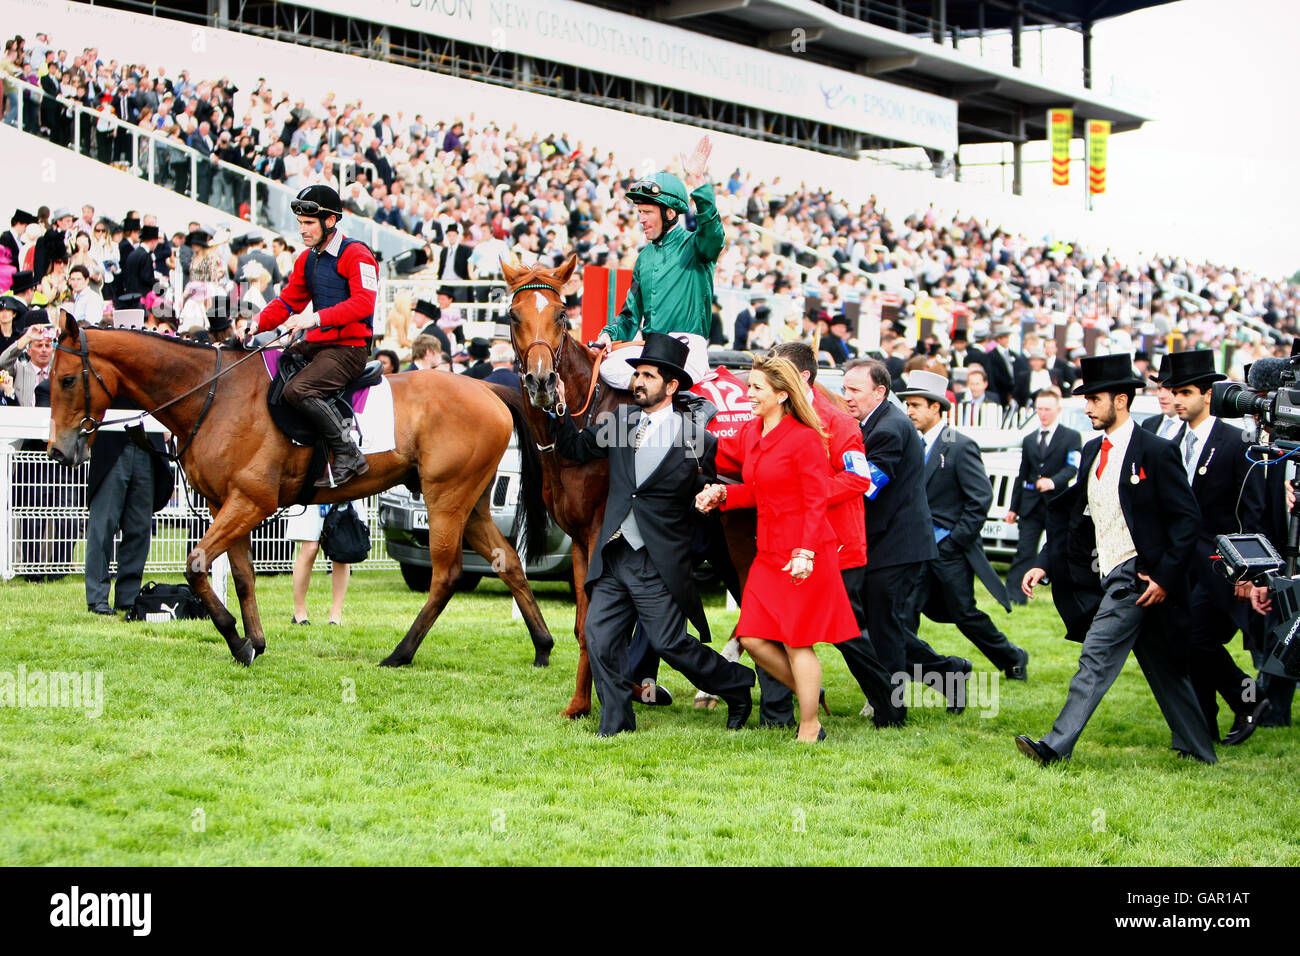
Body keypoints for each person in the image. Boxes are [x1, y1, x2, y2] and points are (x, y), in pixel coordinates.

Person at [552, 332, 756, 737]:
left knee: (670, 644)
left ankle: (736, 684)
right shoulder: (620, 422)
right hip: (613, 555)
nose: (638, 382)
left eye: (648, 375)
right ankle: (616, 722)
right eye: (637, 374)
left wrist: (713, 495)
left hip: (657, 561)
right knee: (599, 636)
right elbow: (573, 449)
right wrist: (557, 407)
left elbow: (726, 482)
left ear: (672, 385)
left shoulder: (697, 438)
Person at [1018, 353, 1217, 765]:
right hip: (1110, 574)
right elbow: (1078, 519)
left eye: (1094, 398)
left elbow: (1187, 519)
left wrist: (1163, 577)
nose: (1087, 407)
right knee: (1165, 670)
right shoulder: (1093, 450)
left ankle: (1055, 747)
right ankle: (1200, 753)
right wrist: (1045, 562)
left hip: (1136, 577)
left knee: (1095, 657)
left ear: (1121, 401)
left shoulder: (1157, 452)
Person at [721, 343, 904, 728]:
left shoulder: (836, 423)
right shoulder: (763, 422)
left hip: (832, 544)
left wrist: (804, 493)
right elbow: (735, 455)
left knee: (845, 636)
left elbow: (858, 478)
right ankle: (778, 715)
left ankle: (889, 704)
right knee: (772, 630)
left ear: (797, 380)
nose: (756, 388)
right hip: (780, 544)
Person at [698, 354, 860, 742]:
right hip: (768, 552)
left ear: (782, 394)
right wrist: (723, 493)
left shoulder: (805, 438)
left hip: (802, 551)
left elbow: (815, 499)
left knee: (795, 640)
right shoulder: (754, 432)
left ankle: (809, 725)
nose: (747, 394)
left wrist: (805, 552)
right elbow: (758, 490)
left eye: (755, 388)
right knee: (753, 637)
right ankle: (809, 692)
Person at [841, 359, 972, 692]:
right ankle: (949, 674)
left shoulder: (888, 428)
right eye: (845, 389)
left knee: (884, 628)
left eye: (855, 390)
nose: (848, 397)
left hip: (898, 546)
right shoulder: (873, 422)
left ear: (880, 392)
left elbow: (867, 486)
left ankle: (891, 705)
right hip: (887, 542)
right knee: (884, 626)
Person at [1164, 349, 1269, 745]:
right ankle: (1200, 728)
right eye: (1173, 392)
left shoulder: (1236, 440)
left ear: (1208, 394)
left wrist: (1248, 572)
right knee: (1187, 646)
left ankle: (1249, 697)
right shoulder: (1172, 443)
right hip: (1183, 566)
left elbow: (1252, 511)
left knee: (1199, 640)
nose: (1177, 400)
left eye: (1185, 392)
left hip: (1222, 565)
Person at [898, 369, 1029, 682]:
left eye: (916, 405)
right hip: (917, 548)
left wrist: (954, 541)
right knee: (905, 614)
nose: (909, 411)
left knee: (965, 615)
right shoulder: (910, 443)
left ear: (936, 408)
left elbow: (979, 500)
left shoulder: (959, 445)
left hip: (948, 550)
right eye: (908, 405)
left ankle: (1012, 657)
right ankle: (902, 675)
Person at [253, 184, 377, 487]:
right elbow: (286, 302)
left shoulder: (357, 254)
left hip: (349, 349)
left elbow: (364, 303)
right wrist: (256, 324)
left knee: (299, 390)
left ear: (330, 221)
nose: (302, 230)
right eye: (300, 224)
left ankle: (348, 452)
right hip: (318, 346)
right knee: (270, 369)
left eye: (309, 224)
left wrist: (315, 318)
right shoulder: (307, 259)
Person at [595, 135, 722, 394]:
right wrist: (609, 334)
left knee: (656, 376)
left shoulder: (696, 245)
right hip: (651, 348)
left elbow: (713, 233)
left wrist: (697, 181)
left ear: (670, 213)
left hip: (686, 348)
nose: (641, 219)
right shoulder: (644, 257)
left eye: (647, 212)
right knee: (606, 367)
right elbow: (631, 315)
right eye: (639, 212)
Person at [1004, 386, 1081, 604]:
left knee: (1059, 549)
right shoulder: (1029, 439)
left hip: (1056, 503)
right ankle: (1015, 596)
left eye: (1047, 409)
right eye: (1039, 409)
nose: (1043, 413)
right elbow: (1022, 475)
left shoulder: (1071, 437)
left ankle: (1067, 595)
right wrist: (1013, 507)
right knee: (1024, 550)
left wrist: (1053, 482)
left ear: (1058, 410)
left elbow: (1072, 468)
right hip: (1031, 505)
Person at [84, 426, 171, 615]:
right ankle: (97, 598)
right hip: (111, 444)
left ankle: (128, 598)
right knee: (103, 526)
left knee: (139, 528)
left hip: (147, 444)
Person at [286, 500, 365, 625]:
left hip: (342, 491)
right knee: (310, 548)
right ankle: (299, 612)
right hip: (313, 494)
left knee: (342, 550)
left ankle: (336, 613)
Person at [1140, 355, 1183, 440]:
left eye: (1169, 389)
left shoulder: (1190, 427)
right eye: (1159, 388)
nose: (1161, 395)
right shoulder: (1148, 424)